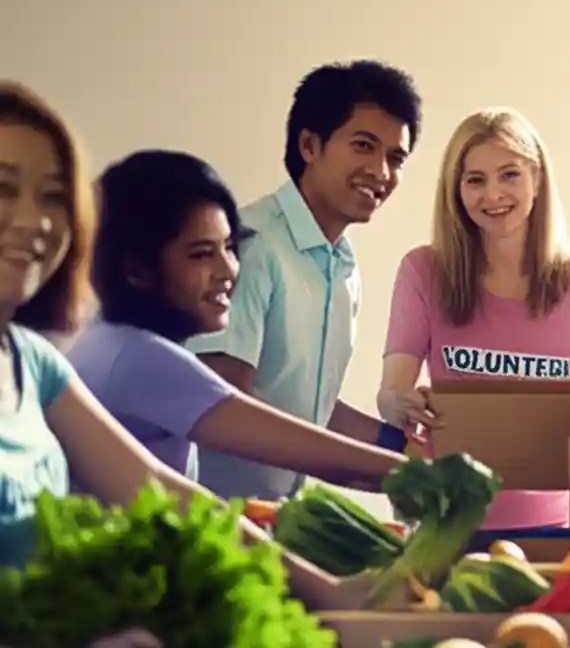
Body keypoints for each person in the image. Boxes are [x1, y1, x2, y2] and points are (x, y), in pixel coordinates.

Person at [0, 80, 360, 611]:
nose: (36, 221)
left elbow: (169, 495)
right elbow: (310, 452)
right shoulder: (135, 355)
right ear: (138, 269)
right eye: (4, 188)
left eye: (54, 195)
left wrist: (331, 593)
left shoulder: (36, 361)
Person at [66, 150, 407, 490]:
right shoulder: (143, 358)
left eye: (228, 247)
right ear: (137, 269)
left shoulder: (107, 338)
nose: (227, 269)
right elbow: (318, 456)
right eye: (201, 254)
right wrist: (430, 474)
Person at [186, 59, 423, 501]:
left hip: (274, 524)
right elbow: (222, 404)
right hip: (213, 520)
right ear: (310, 145)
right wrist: (388, 469)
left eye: (396, 157)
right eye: (364, 146)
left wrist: (409, 451)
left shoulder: (343, 265)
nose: (381, 171)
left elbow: (308, 408)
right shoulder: (250, 247)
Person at [378, 106, 570, 530]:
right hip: (447, 521)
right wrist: (398, 404)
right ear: (456, 191)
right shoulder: (422, 271)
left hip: (557, 524)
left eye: (509, 175)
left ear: (537, 179)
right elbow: (390, 395)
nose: (493, 195)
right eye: (475, 180)